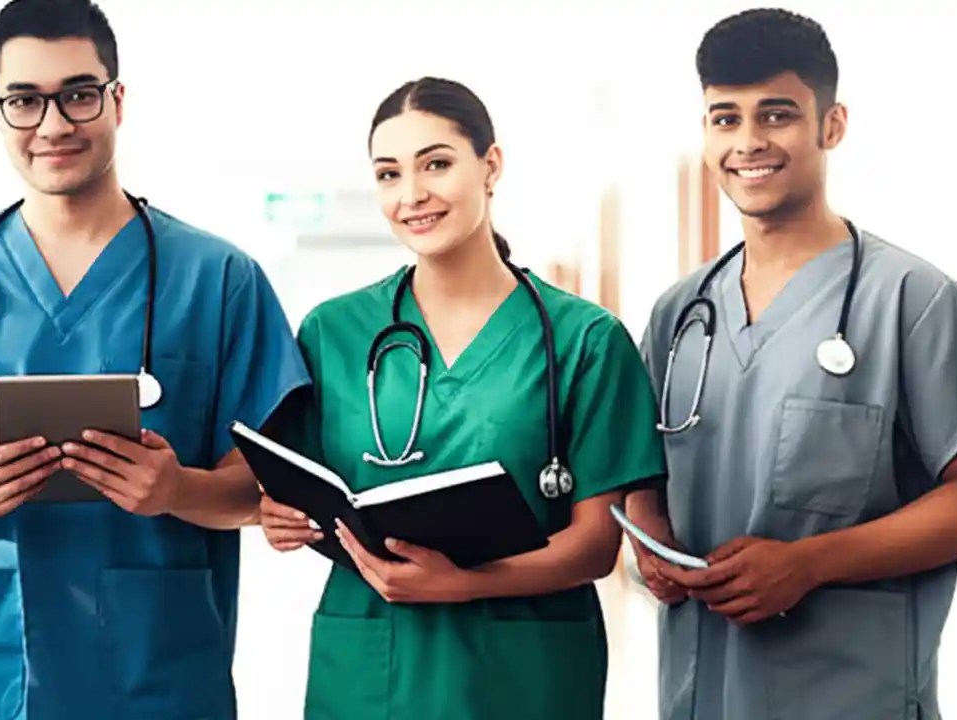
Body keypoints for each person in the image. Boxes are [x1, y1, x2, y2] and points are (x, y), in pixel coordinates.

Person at [0, 1, 309, 717]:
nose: (53, 125)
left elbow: (268, 491)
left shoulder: (218, 278)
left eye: (78, 94)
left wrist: (174, 489)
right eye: (24, 100)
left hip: (159, 678)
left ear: (117, 100)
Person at [627, 8, 957, 720]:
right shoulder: (679, 316)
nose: (748, 142)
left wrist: (808, 563)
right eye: (725, 119)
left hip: (849, 696)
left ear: (831, 125)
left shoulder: (911, 299)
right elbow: (644, 478)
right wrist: (650, 534)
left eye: (775, 115)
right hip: (701, 694)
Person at [256, 76, 666, 719]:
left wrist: (465, 584)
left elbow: (594, 546)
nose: (412, 195)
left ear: (490, 165)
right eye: (389, 175)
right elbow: (301, 492)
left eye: (437, 164)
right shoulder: (332, 333)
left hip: (522, 676)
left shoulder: (585, 340)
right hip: (372, 670)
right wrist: (281, 517)